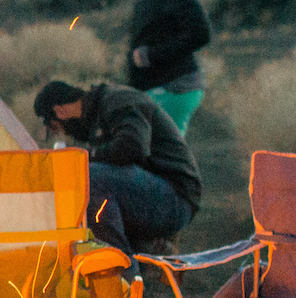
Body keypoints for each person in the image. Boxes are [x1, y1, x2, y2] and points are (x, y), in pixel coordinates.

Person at [34, 79, 200, 252]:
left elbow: (132, 148)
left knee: (88, 179)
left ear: (59, 111)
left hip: (175, 195)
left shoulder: (118, 100)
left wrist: (82, 156)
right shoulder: (97, 119)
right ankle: (139, 260)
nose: (65, 133)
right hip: (150, 193)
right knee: (85, 195)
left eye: (57, 128)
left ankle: (118, 266)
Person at [111, 0, 211, 135]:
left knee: (159, 157)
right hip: (162, 88)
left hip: (173, 88)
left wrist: (151, 55)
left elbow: (200, 33)